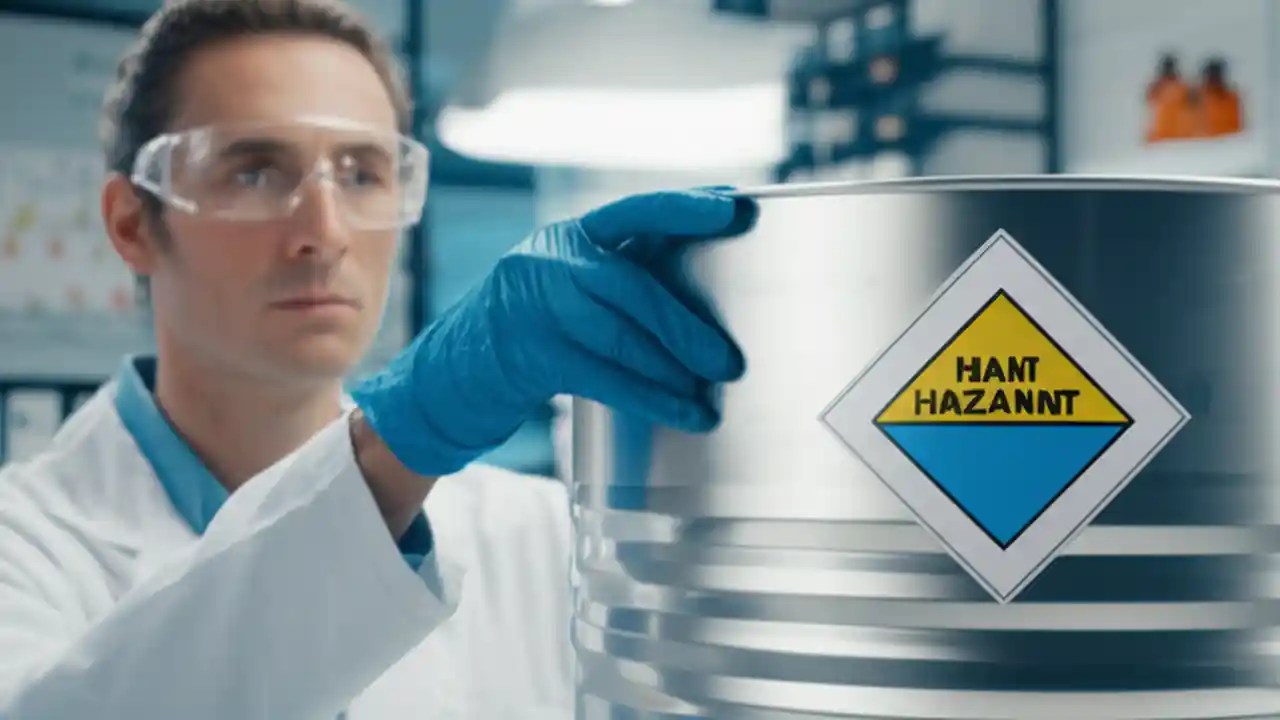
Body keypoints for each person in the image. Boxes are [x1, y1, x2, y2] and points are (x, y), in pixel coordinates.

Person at [0, 1, 756, 718]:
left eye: (362, 173)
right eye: (255, 171)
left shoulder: (541, 536)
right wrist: (404, 437)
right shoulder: (25, 545)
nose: (324, 233)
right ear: (132, 223)